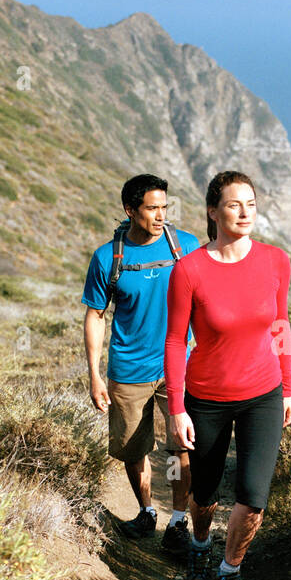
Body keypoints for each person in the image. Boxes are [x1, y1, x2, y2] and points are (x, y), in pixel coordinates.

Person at [164, 170, 291, 580]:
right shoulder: (189, 269)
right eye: (234, 204)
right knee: (204, 495)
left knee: (253, 498)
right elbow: (174, 341)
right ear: (213, 211)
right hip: (206, 397)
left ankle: (230, 571)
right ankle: (200, 546)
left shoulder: (276, 261)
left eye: (251, 204)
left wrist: (288, 388)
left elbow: (280, 325)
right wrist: (177, 409)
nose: (244, 212)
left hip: (263, 393)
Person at [82, 175, 201, 550]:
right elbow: (95, 316)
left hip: (178, 365)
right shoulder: (107, 258)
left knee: (182, 444)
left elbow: (208, 300)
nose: (161, 215)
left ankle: (179, 522)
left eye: (165, 207)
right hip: (128, 370)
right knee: (133, 450)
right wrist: (94, 375)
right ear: (130, 210)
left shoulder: (186, 246)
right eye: (152, 208)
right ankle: (147, 512)